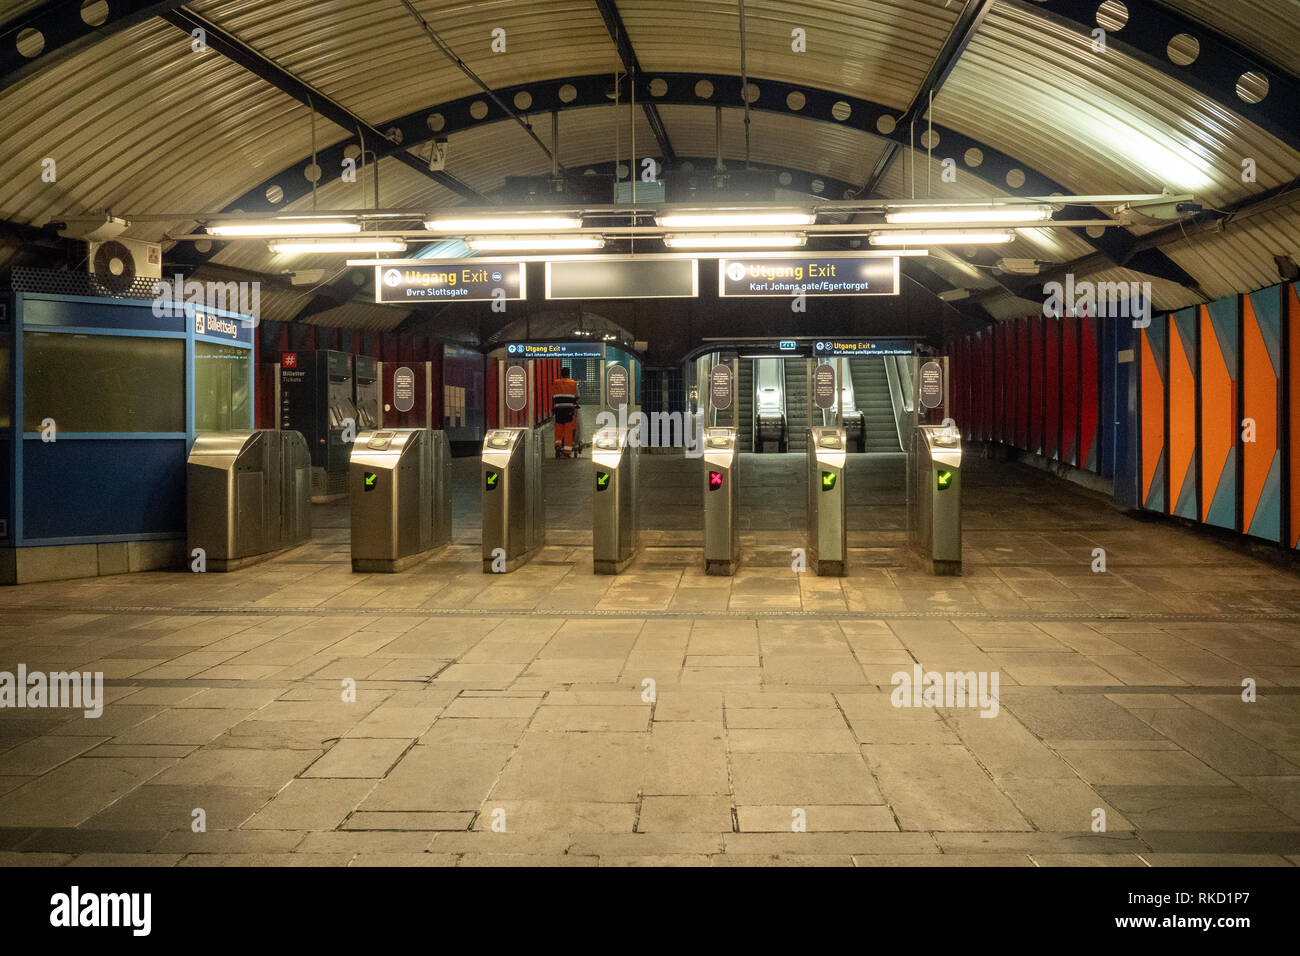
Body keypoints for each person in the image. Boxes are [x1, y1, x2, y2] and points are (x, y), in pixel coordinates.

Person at [552, 366, 580, 458]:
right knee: (568, 430)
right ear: (568, 374)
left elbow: (553, 395)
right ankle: (567, 451)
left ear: (561, 374)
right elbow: (577, 396)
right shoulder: (573, 383)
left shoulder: (556, 382)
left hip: (558, 409)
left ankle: (558, 446)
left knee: (559, 428)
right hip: (569, 409)